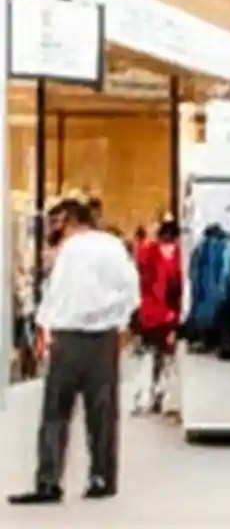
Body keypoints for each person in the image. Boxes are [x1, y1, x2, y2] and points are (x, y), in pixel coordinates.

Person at [9, 199, 140, 505]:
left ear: (68, 220)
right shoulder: (113, 245)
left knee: (55, 412)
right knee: (103, 413)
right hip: (104, 338)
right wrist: (118, 324)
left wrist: (44, 327)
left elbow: (56, 295)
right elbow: (131, 291)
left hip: (68, 338)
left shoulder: (70, 250)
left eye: (56, 224)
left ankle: (48, 481)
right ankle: (102, 477)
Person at [131, 218, 182, 415]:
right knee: (161, 357)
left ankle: (148, 397)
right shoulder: (166, 255)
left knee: (151, 356)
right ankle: (157, 397)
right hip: (160, 314)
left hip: (154, 314)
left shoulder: (149, 253)